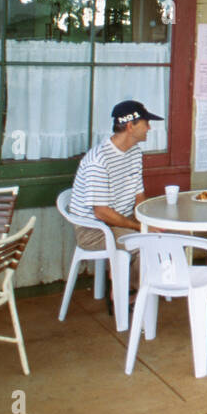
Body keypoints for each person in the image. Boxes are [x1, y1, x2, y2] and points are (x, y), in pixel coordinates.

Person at [69, 100, 162, 301]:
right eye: (146, 123)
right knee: (143, 242)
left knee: (164, 232)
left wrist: (146, 221)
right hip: (93, 229)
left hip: (121, 218)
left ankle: (146, 286)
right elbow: (101, 212)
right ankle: (130, 294)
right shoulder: (99, 161)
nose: (149, 128)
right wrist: (139, 228)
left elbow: (138, 195)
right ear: (130, 126)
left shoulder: (134, 151)